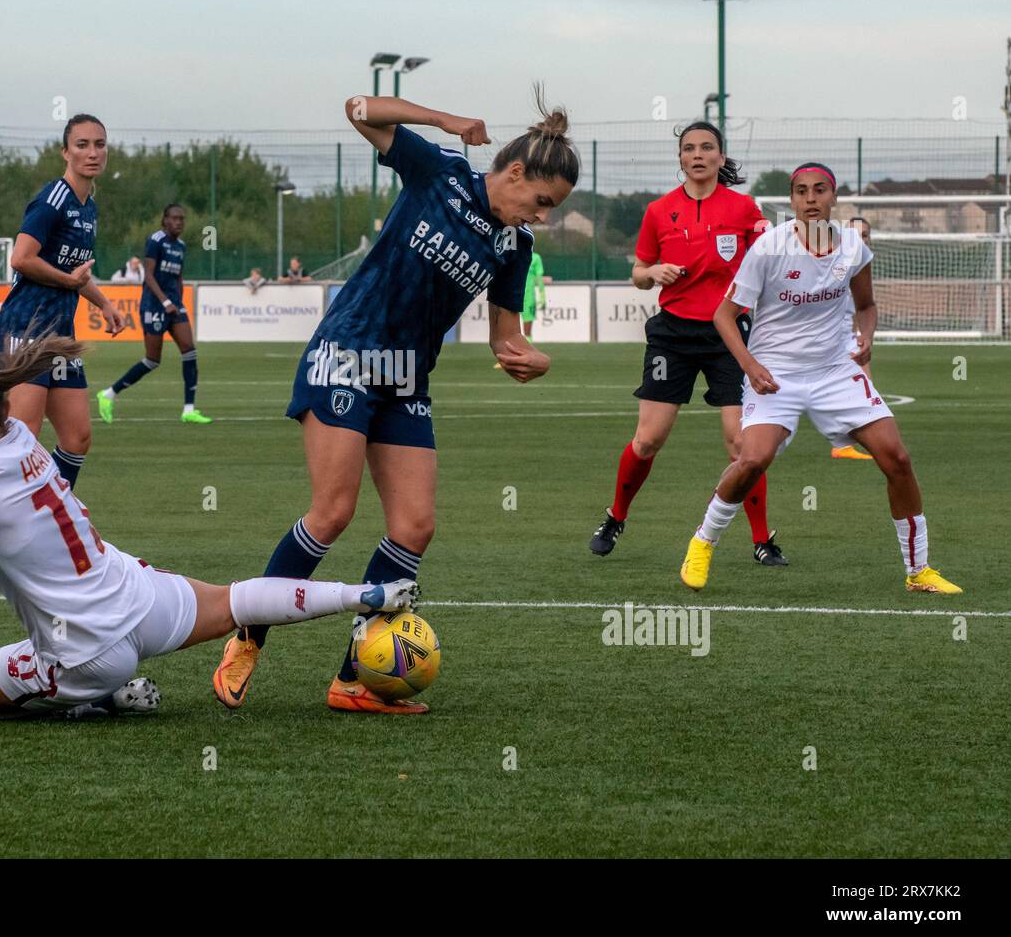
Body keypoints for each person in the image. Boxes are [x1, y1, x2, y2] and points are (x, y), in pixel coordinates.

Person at [0, 335, 420, 719]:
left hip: (86, 649)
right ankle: (366, 597)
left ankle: (91, 693)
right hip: (139, 596)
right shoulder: (16, 437)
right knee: (237, 597)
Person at [212, 86, 577, 714]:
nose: (541, 215)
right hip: (348, 354)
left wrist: (530, 358)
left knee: (414, 526)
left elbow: (505, 335)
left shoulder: (516, 246)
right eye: (541, 201)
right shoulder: (442, 173)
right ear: (514, 172)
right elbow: (356, 108)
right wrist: (444, 119)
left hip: (407, 378)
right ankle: (248, 635)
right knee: (332, 513)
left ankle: (355, 677)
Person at [679, 163, 961, 595]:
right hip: (776, 373)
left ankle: (918, 570)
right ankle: (703, 541)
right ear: (791, 200)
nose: (810, 198)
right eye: (801, 191)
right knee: (753, 460)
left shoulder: (853, 248)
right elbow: (724, 316)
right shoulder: (769, 249)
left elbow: (866, 306)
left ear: (834, 198)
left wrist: (866, 337)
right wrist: (751, 367)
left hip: (835, 371)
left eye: (820, 190)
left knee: (897, 459)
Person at [588, 120, 787, 567]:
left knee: (741, 445)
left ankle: (762, 539)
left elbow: (766, 269)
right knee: (648, 439)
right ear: (680, 159)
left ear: (720, 156)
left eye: (707, 147)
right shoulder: (659, 211)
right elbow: (638, 274)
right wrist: (652, 273)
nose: (697, 154)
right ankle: (616, 516)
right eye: (689, 148)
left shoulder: (743, 209)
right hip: (672, 334)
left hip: (728, 336)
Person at [0, 113, 126, 492]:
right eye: (82, 145)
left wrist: (104, 304)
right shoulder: (53, 199)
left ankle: (50, 513)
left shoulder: (89, 208)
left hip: (61, 337)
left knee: (77, 437)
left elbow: (74, 272)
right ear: (65, 152)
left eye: (99, 144)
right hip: (26, 331)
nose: (92, 152)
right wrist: (69, 280)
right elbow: (21, 258)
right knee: (23, 438)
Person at [98, 204, 211, 425]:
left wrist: (178, 300)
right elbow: (148, 275)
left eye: (182, 219)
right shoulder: (156, 240)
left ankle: (189, 410)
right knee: (152, 360)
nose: (179, 222)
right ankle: (109, 394)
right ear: (165, 220)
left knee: (190, 351)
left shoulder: (181, 246)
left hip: (173, 306)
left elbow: (178, 276)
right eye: (175, 218)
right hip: (154, 306)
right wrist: (165, 301)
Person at [831, 216, 875, 460]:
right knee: (863, 387)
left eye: (865, 235)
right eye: (855, 234)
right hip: (831, 340)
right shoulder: (836, 263)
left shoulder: (861, 264)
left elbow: (863, 306)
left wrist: (862, 333)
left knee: (864, 386)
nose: (860, 239)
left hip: (848, 336)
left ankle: (843, 443)